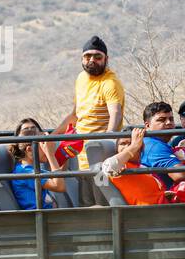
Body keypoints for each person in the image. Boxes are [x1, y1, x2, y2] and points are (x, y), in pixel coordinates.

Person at [54, 36, 125, 205]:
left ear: (106, 59)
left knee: (103, 205)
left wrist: (107, 139)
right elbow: (75, 114)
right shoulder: (81, 79)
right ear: (82, 58)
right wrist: (52, 136)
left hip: (101, 160)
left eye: (97, 56)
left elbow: (115, 114)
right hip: (82, 159)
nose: (92, 60)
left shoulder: (110, 83)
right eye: (87, 56)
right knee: (87, 206)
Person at [9, 118, 67, 210]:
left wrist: (66, 155)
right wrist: (50, 154)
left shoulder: (31, 169)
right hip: (42, 216)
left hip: (48, 213)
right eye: (43, 146)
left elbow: (57, 178)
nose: (46, 149)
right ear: (30, 150)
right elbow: (59, 187)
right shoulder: (25, 172)